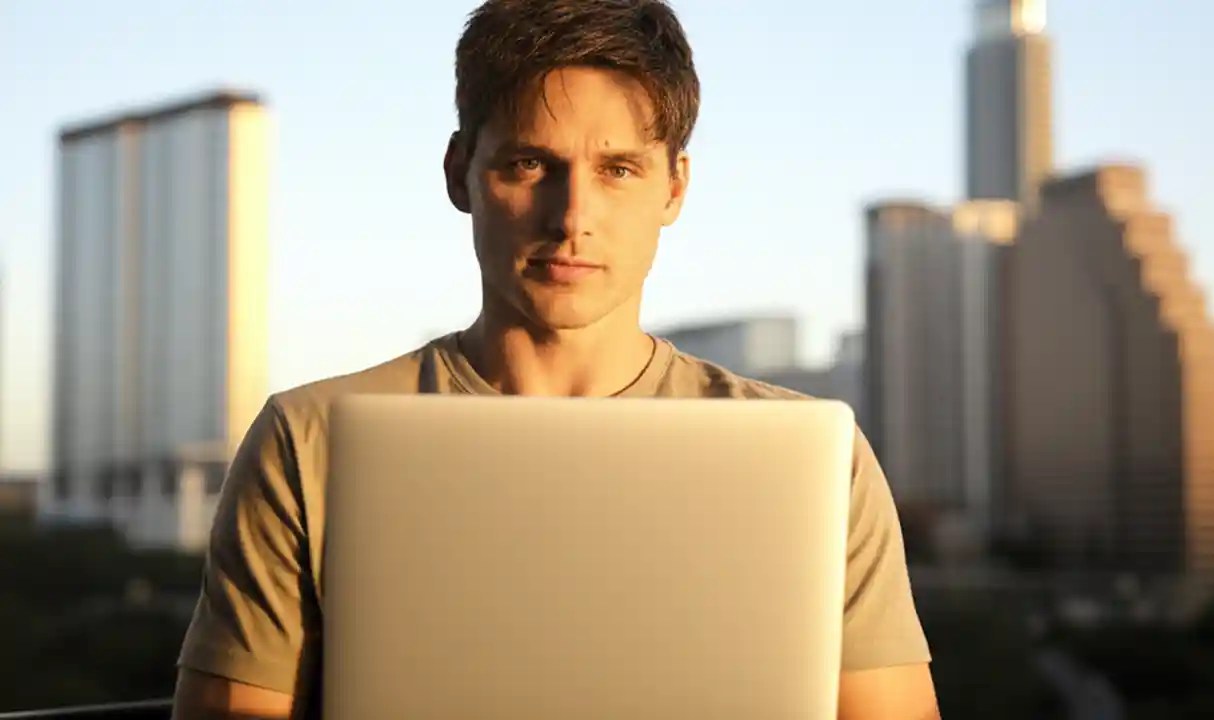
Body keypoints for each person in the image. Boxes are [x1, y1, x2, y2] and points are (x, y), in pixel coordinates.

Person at [171, 1, 938, 718]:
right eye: (531, 164)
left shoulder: (809, 464)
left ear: (675, 186)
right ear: (459, 172)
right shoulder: (308, 440)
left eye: (618, 169)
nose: (572, 218)